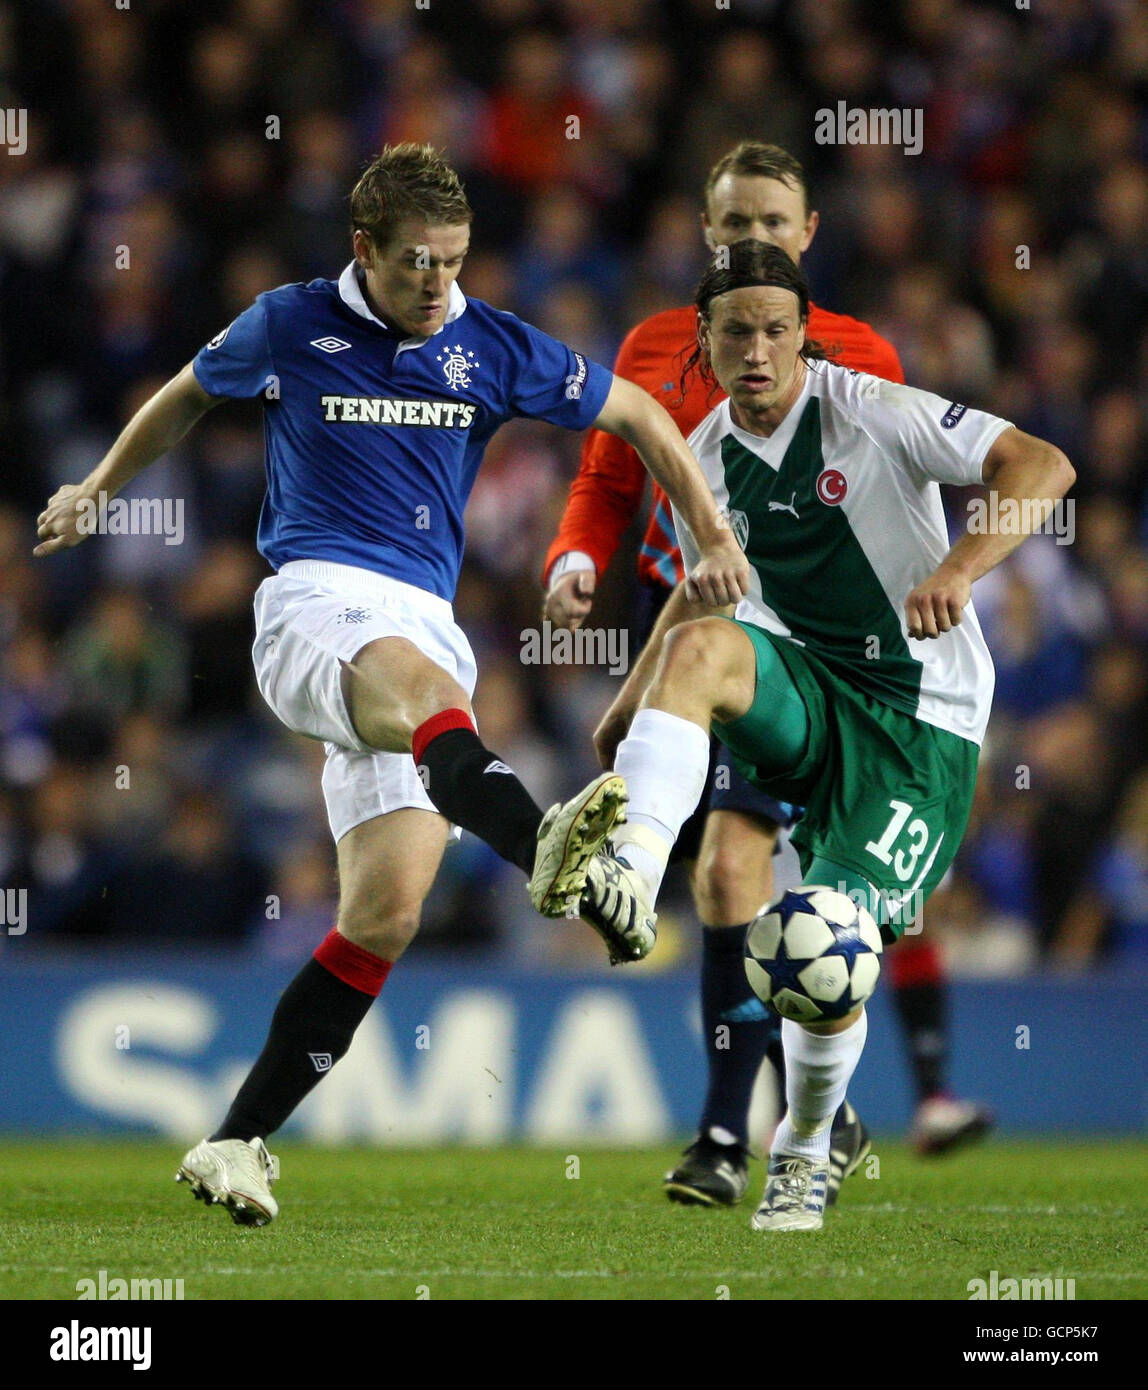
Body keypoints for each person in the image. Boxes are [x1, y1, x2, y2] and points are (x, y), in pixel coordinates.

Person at [34, 143, 748, 1226]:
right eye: (416, 262)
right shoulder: (289, 322)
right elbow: (181, 399)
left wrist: (707, 533)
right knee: (421, 690)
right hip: (315, 602)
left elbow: (643, 417)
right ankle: (540, 841)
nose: (436, 283)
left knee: (386, 911)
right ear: (363, 247)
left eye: (453, 261)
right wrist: (95, 488)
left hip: (423, 629)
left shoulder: (489, 342)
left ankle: (233, 1140)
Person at [560, 240, 1074, 1230]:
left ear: (801, 336)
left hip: (918, 720)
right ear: (702, 347)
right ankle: (631, 865)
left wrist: (960, 568)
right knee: (706, 645)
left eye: (773, 330)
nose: (755, 350)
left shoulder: (866, 412)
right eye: (734, 333)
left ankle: (802, 1140)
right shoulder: (702, 453)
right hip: (809, 689)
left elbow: (1040, 463)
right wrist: (628, 705)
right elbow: (696, 593)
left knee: (822, 946)